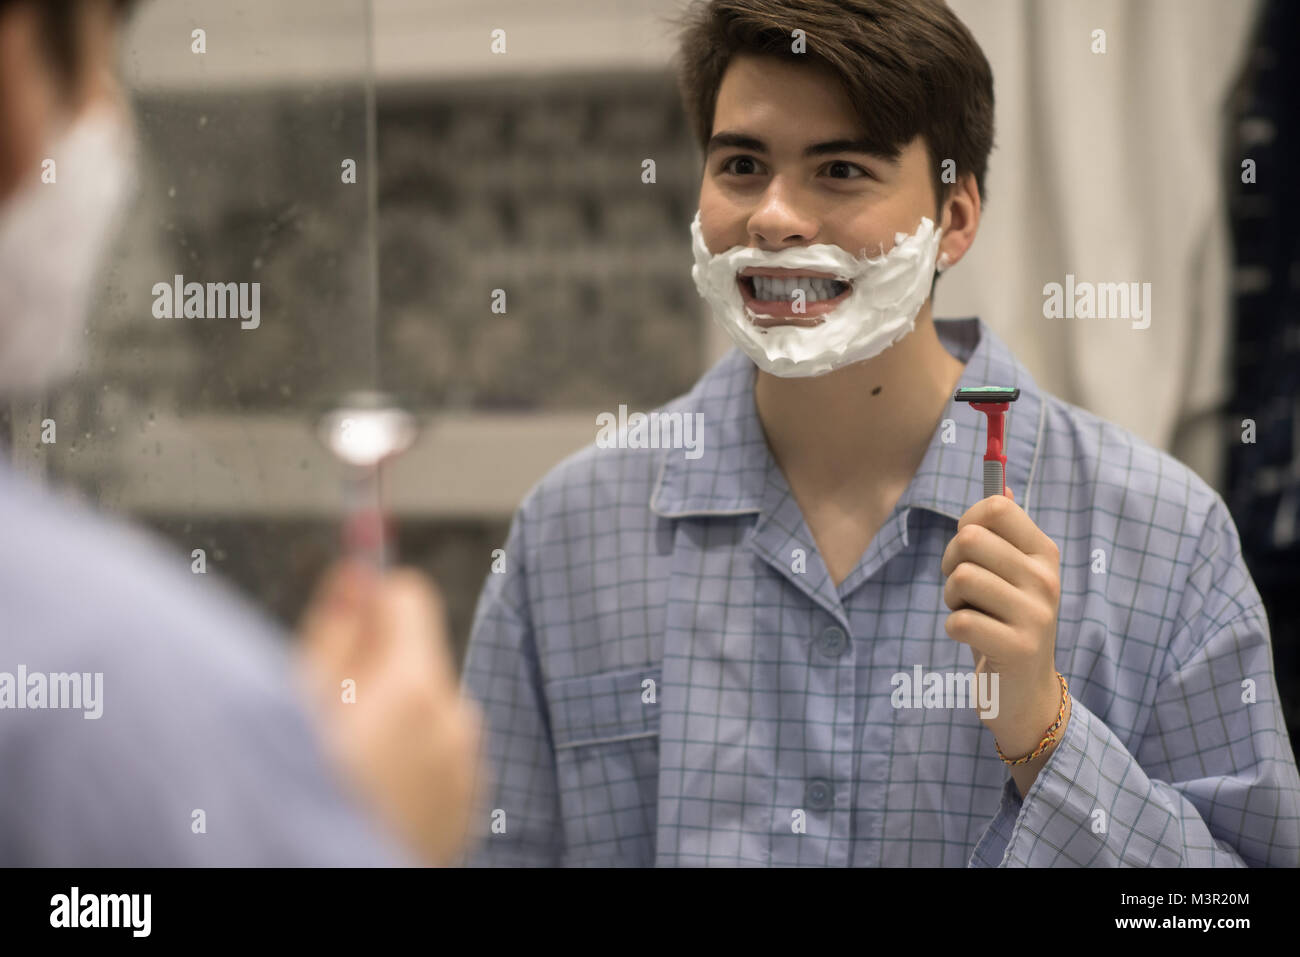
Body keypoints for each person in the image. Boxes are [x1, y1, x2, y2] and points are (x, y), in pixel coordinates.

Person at [460, 0, 1300, 866]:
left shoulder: (1166, 540)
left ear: (956, 218)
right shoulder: (567, 535)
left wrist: (1046, 735)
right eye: (742, 164)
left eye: (842, 171)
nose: (774, 218)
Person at [0, 0, 482, 866]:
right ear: (18, 61)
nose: (113, 122)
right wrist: (357, 825)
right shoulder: (124, 692)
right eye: (100, 65)